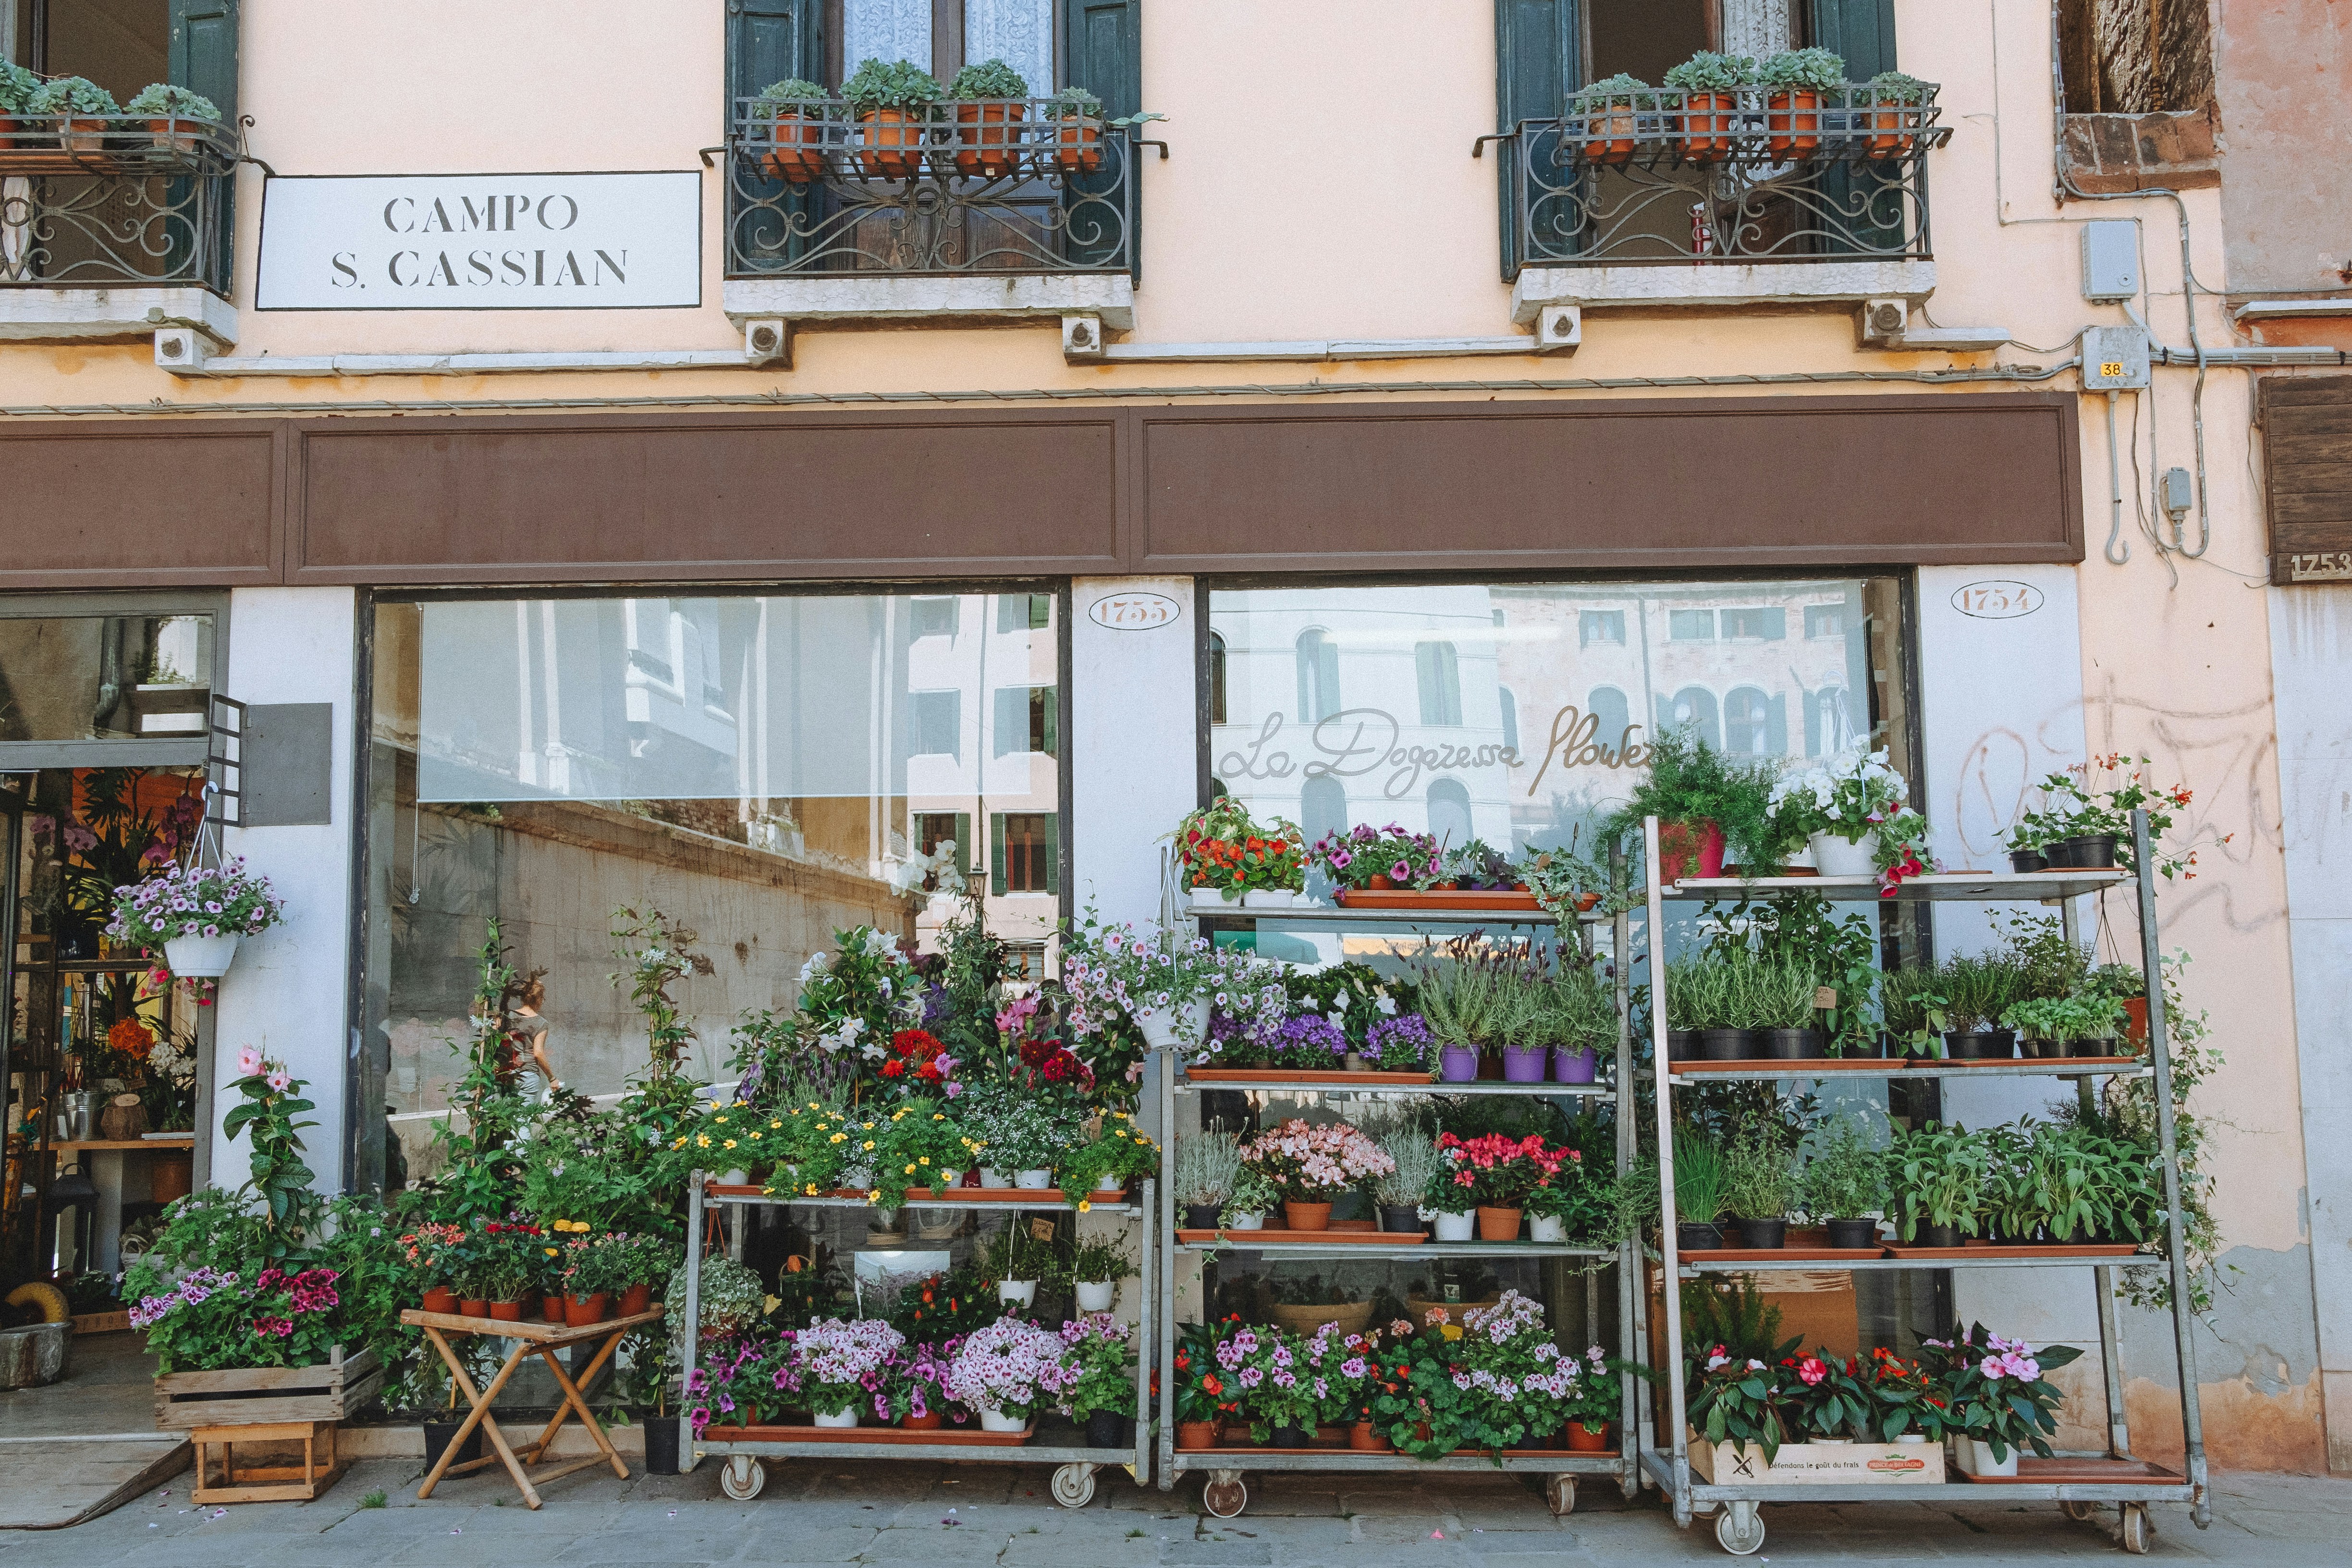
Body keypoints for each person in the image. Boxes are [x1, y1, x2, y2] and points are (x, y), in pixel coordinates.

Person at [509, 973, 559, 1104]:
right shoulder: (541, 1023)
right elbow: (538, 1053)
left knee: (507, 1119)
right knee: (523, 1120)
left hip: (507, 1075)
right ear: (539, 999)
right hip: (528, 1074)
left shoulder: (508, 1016)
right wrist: (552, 1078)